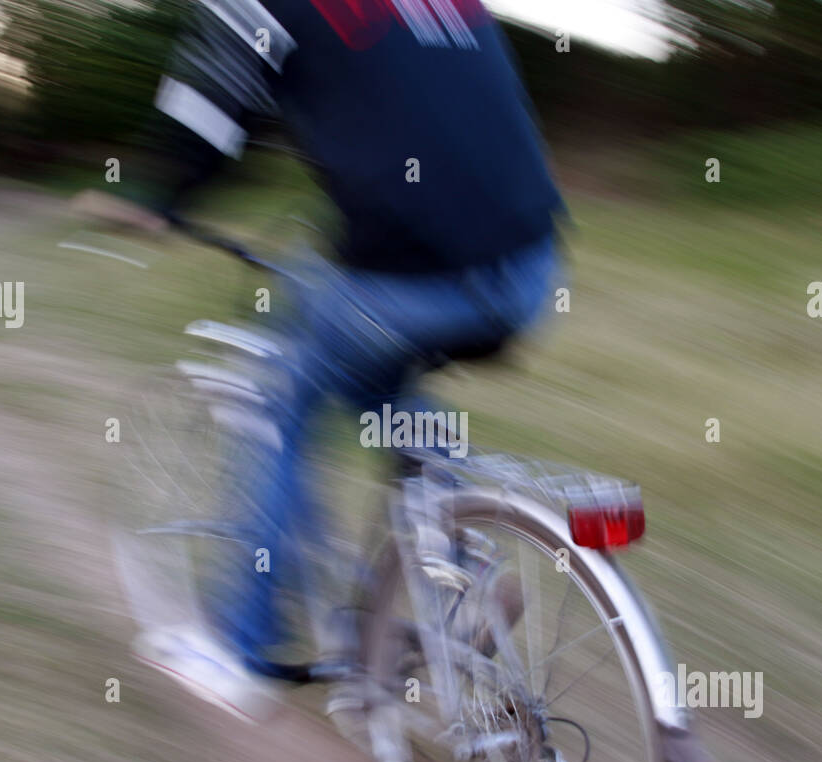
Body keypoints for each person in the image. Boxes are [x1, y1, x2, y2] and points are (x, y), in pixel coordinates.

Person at [99, 0, 565, 723]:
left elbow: (210, 107)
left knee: (284, 399)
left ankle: (239, 647)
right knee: (370, 371)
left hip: (413, 268)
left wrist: (155, 198)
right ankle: (467, 570)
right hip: (531, 263)